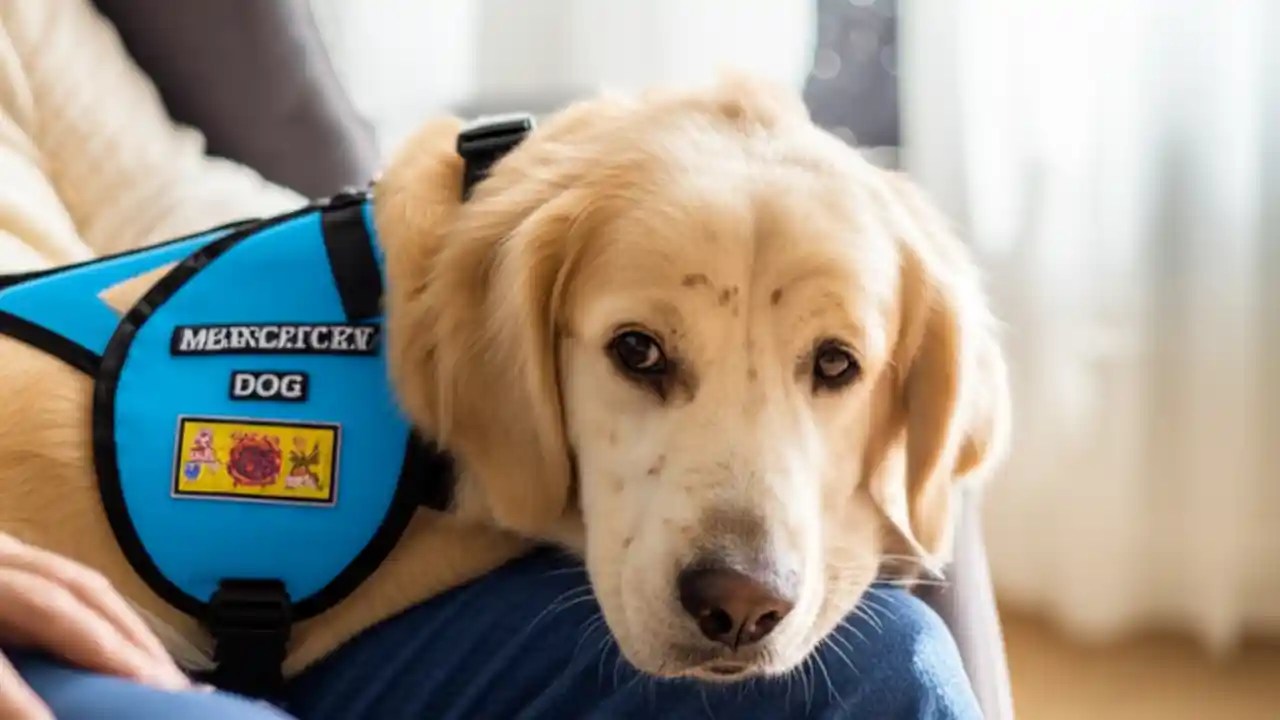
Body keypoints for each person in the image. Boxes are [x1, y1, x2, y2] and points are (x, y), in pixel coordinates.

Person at [0, 1, 981, 717]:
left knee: (888, 667)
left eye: (832, 366)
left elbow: (173, 213)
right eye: (643, 352)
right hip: (46, 613)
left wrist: (464, 252)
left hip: (306, 548)